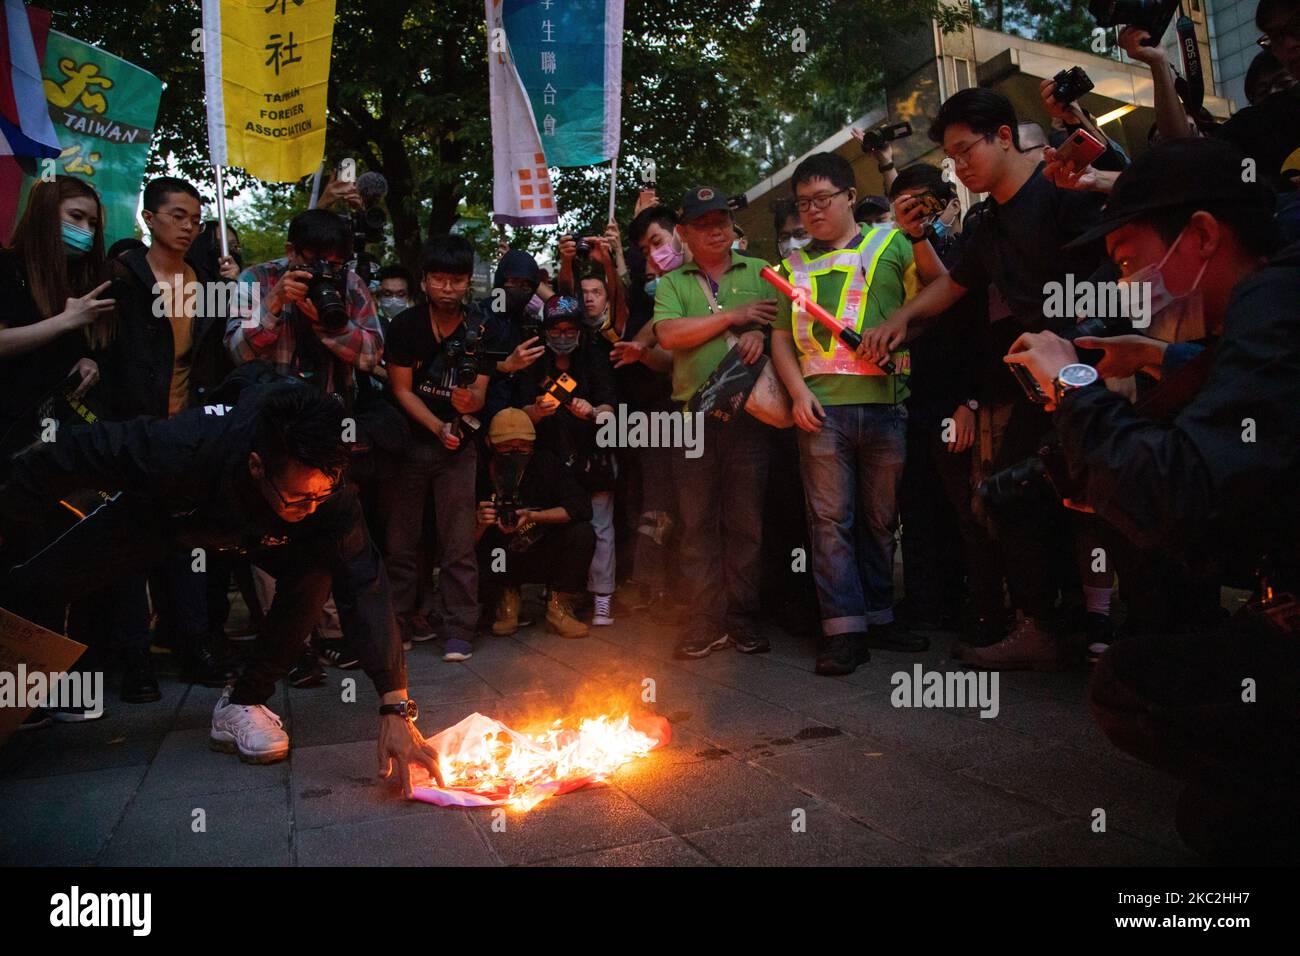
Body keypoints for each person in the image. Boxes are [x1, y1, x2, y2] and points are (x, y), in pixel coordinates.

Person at [1003, 136, 1299, 861]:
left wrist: (1070, 386)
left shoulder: (1275, 296)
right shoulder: (1272, 295)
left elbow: (1187, 494)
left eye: (1133, 259)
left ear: (1201, 234)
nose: (1131, 284)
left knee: (1203, 784)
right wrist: (1156, 355)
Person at [0, 382, 441, 794]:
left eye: (319, 497)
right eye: (299, 498)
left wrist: (395, 704)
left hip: (263, 531)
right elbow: (68, 452)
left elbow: (365, 584)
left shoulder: (329, 494)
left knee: (318, 567)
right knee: (41, 583)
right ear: (257, 466)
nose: (310, 508)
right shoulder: (181, 449)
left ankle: (243, 702)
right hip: (171, 516)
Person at [863, 87, 1108, 669]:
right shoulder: (990, 222)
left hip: (1096, 367)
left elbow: (1118, 261)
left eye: (964, 149)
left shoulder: (1063, 191)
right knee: (1014, 496)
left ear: (1004, 136)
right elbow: (956, 284)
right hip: (1031, 381)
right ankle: (1039, 626)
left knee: (1105, 497)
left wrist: (1090, 337)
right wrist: (901, 318)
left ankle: (1120, 626)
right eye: (951, 155)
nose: (960, 164)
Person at [769, 152, 931, 676]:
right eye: (804, 204)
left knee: (882, 520)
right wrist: (797, 394)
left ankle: (881, 616)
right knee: (829, 523)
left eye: (823, 200)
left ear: (850, 198)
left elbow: (934, 297)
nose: (813, 212)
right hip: (821, 410)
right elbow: (778, 338)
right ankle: (843, 630)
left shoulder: (892, 242)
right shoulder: (788, 269)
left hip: (887, 404)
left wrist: (902, 337)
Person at [104, 176, 237, 695]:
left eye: (195, 219)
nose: (188, 226)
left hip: (186, 437)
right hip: (130, 435)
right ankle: (135, 659)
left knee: (187, 547)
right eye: (177, 215)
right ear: (150, 218)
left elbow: (216, 356)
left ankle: (195, 647)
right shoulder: (122, 279)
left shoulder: (203, 282)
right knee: (127, 549)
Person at [652, 185, 774, 660]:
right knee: (697, 522)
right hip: (692, 419)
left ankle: (742, 617)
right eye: (703, 224)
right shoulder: (673, 284)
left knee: (746, 521)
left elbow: (783, 327)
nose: (716, 230)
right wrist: (735, 318)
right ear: (683, 232)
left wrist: (760, 334)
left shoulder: (761, 271)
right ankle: (706, 620)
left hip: (750, 416)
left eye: (721, 221)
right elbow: (669, 335)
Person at [380, 235, 490, 662]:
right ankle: (399, 623)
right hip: (409, 443)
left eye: (457, 280)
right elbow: (401, 390)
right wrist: (436, 425)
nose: (448, 288)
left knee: (459, 540)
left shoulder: (480, 326)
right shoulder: (406, 325)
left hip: (459, 446)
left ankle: (460, 625)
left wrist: (468, 406)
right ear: (424, 281)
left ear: (468, 283)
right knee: (402, 540)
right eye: (439, 279)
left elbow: (480, 390)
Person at [513, 295, 617, 626]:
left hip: (591, 457)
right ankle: (547, 594)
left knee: (599, 526)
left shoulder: (594, 357)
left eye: (569, 328)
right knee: (543, 525)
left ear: (580, 330)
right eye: (555, 329)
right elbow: (513, 415)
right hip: (546, 462)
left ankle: (602, 597)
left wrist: (594, 411)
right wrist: (535, 412)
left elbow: (611, 408)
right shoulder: (532, 360)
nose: (562, 335)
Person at [226, 208, 383, 399]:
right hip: (267, 406)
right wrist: (274, 302)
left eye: (334, 265)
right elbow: (238, 354)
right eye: (315, 263)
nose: (324, 272)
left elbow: (371, 357)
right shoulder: (258, 278)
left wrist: (332, 325)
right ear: (291, 251)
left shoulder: (351, 284)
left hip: (330, 406)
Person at [476, 408, 595, 639]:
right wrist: (480, 522)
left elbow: (581, 507)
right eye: (506, 445)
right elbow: (461, 541)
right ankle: (505, 600)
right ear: (490, 443)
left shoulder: (546, 463)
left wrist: (534, 516)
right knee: (488, 548)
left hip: (542, 546)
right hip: (501, 555)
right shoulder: (480, 471)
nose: (515, 451)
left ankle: (559, 605)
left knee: (582, 533)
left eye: (523, 445)